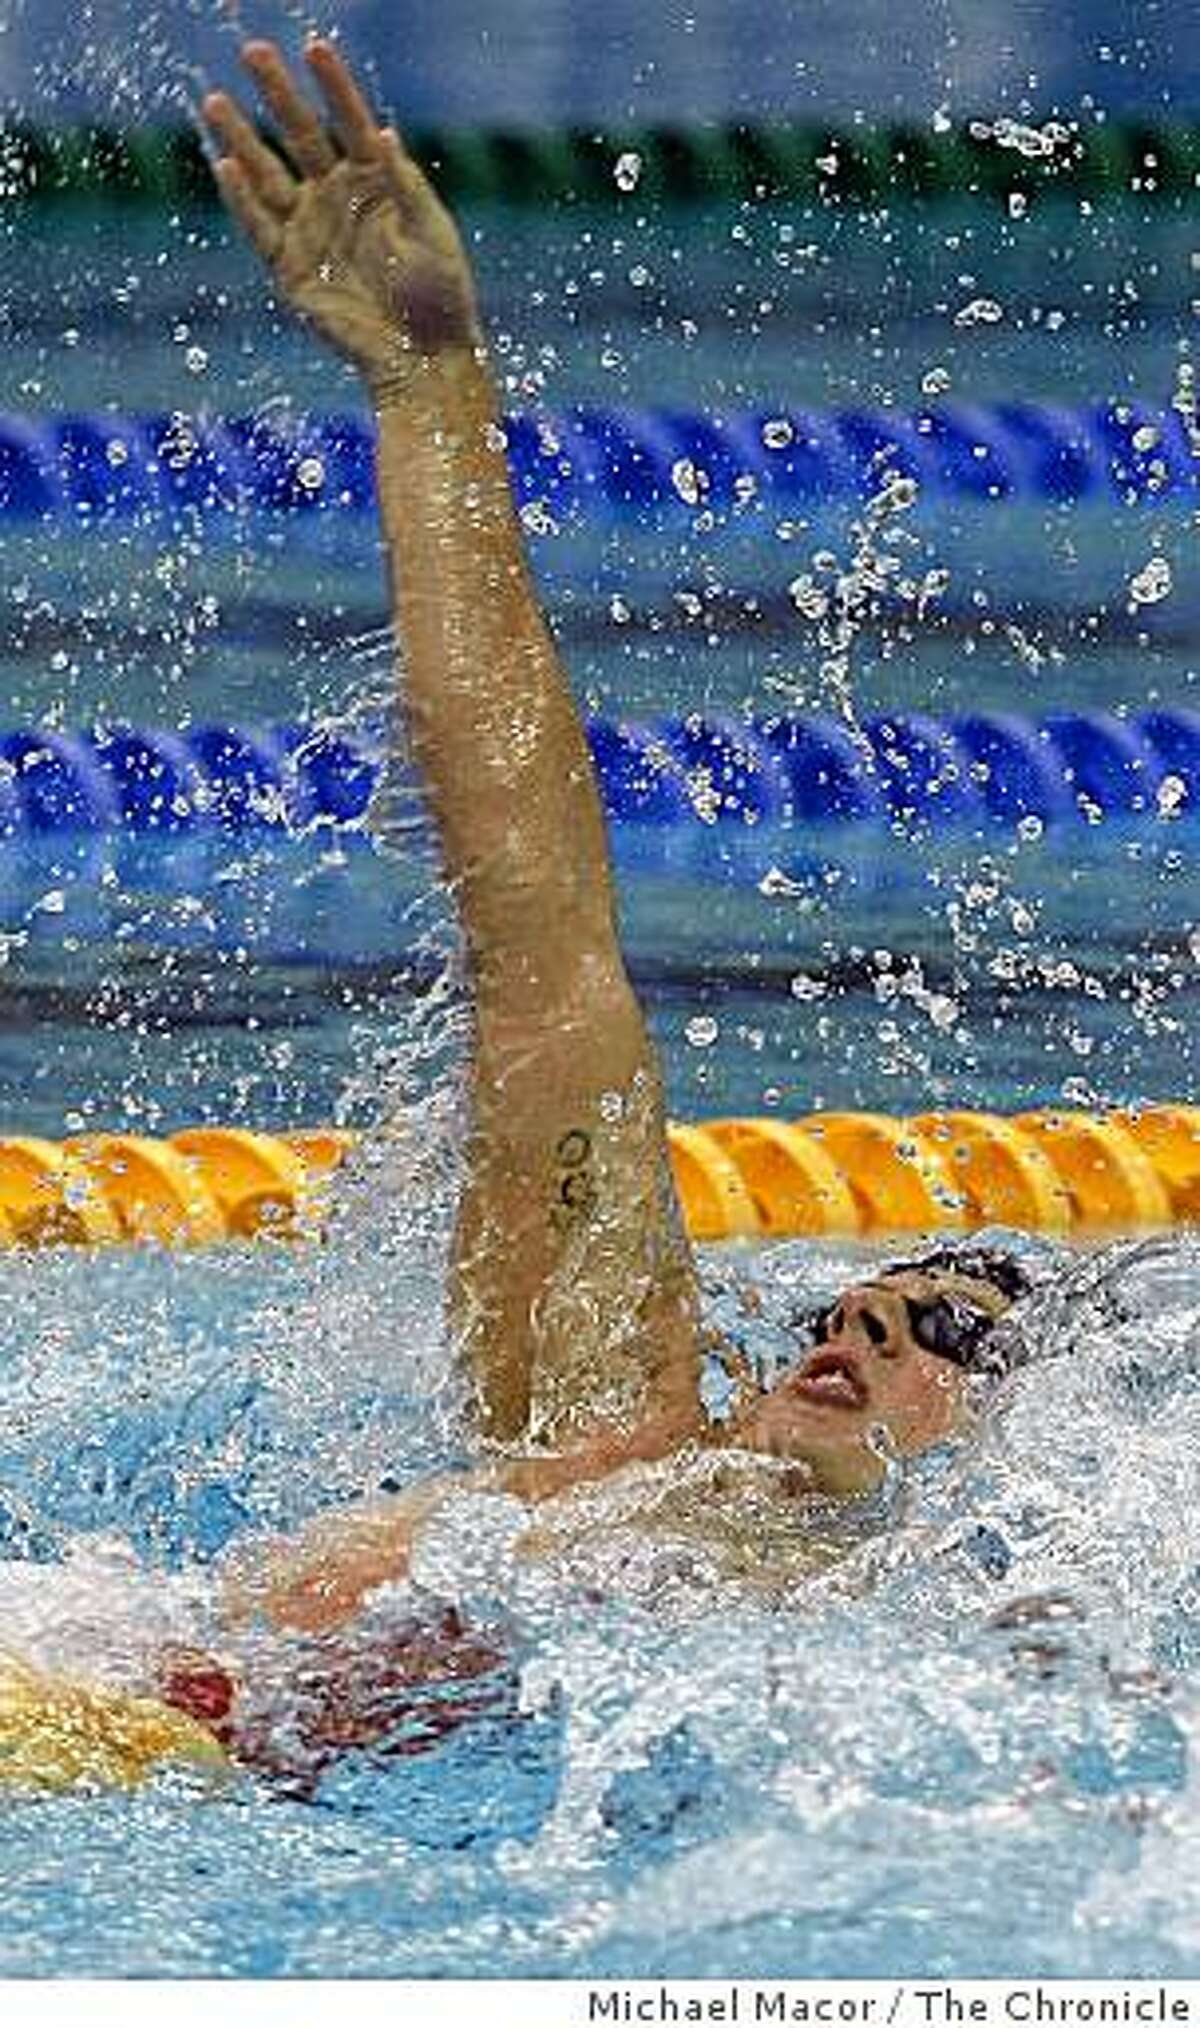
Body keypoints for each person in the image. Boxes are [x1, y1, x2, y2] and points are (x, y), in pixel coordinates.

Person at [1, 39, 1035, 1791]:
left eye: (937, 1330)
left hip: (127, 1765)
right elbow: (543, 949)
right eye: (852, 1306)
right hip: (89, 1679)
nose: (857, 1327)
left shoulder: (894, 1664)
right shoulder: (622, 1414)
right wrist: (430, 392)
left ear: (1022, 1449)